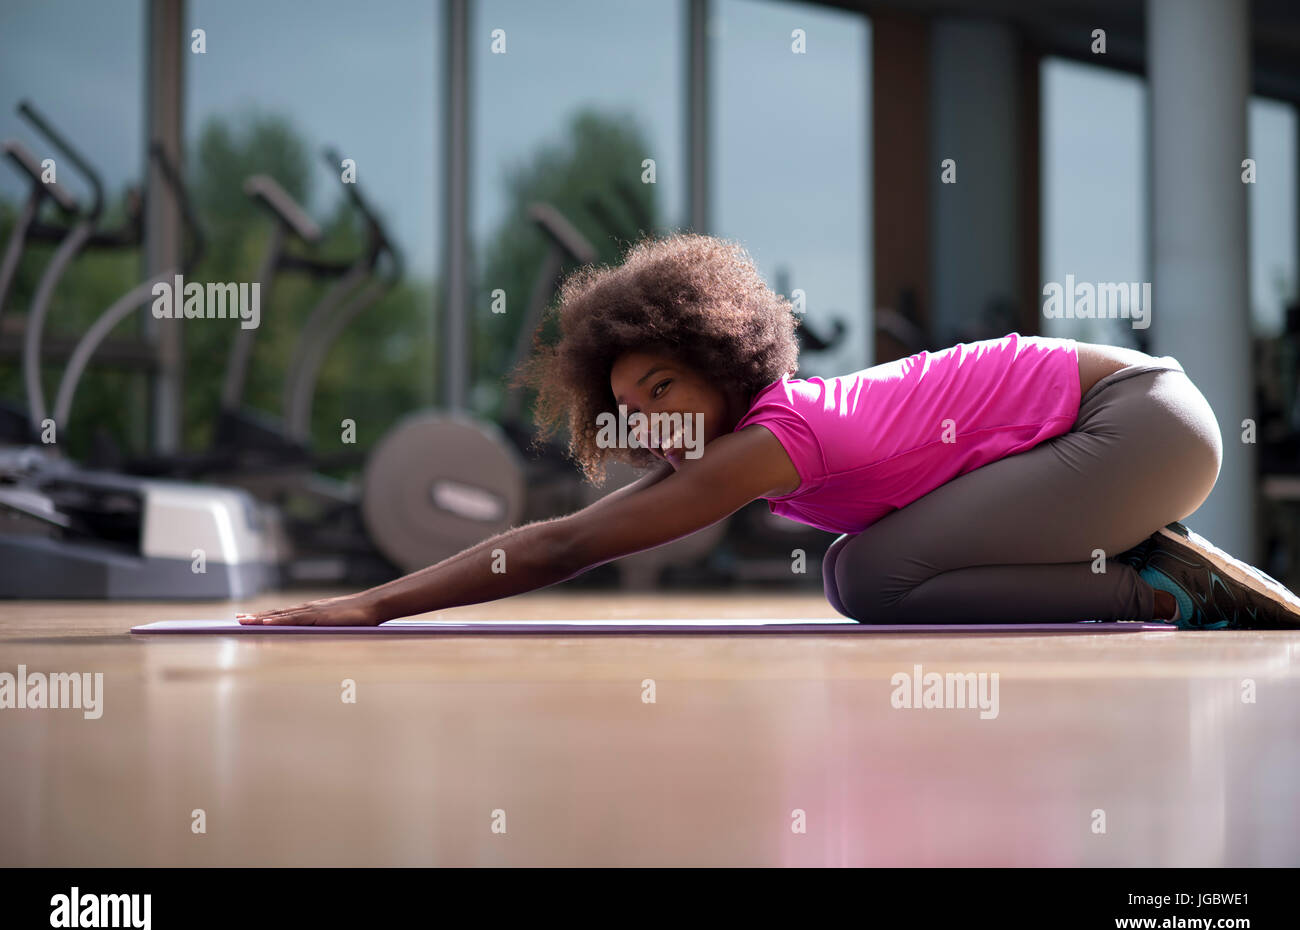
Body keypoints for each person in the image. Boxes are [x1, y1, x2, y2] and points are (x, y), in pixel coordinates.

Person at [237, 232, 1300, 629]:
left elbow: (565, 543)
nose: (648, 418)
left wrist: (373, 605)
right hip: (1117, 429)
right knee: (852, 575)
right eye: (629, 404)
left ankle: (1160, 589)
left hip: (1137, 421)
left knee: (874, 578)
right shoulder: (760, 437)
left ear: (719, 366)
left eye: (663, 386)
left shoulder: (768, 440)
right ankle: (1140, 567)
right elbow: (577, 529)